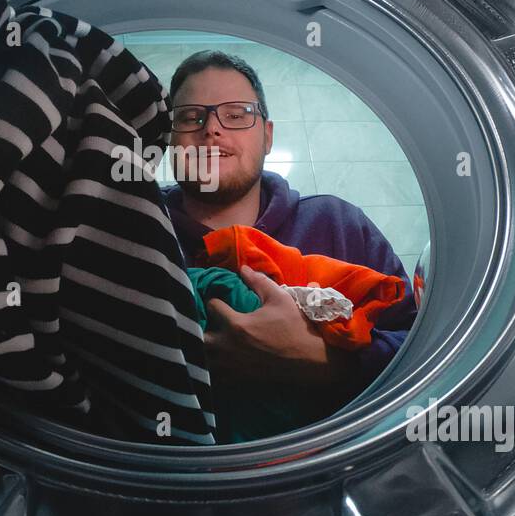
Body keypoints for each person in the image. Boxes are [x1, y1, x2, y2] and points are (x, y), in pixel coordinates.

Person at [159, 50, 418, 439]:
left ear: (267, 136)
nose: (211, 129)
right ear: (169, 138)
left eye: (237, 113)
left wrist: (327, 362)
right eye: (190, 116)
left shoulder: (339, 223)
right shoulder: (131, 226)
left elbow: (419, 350)